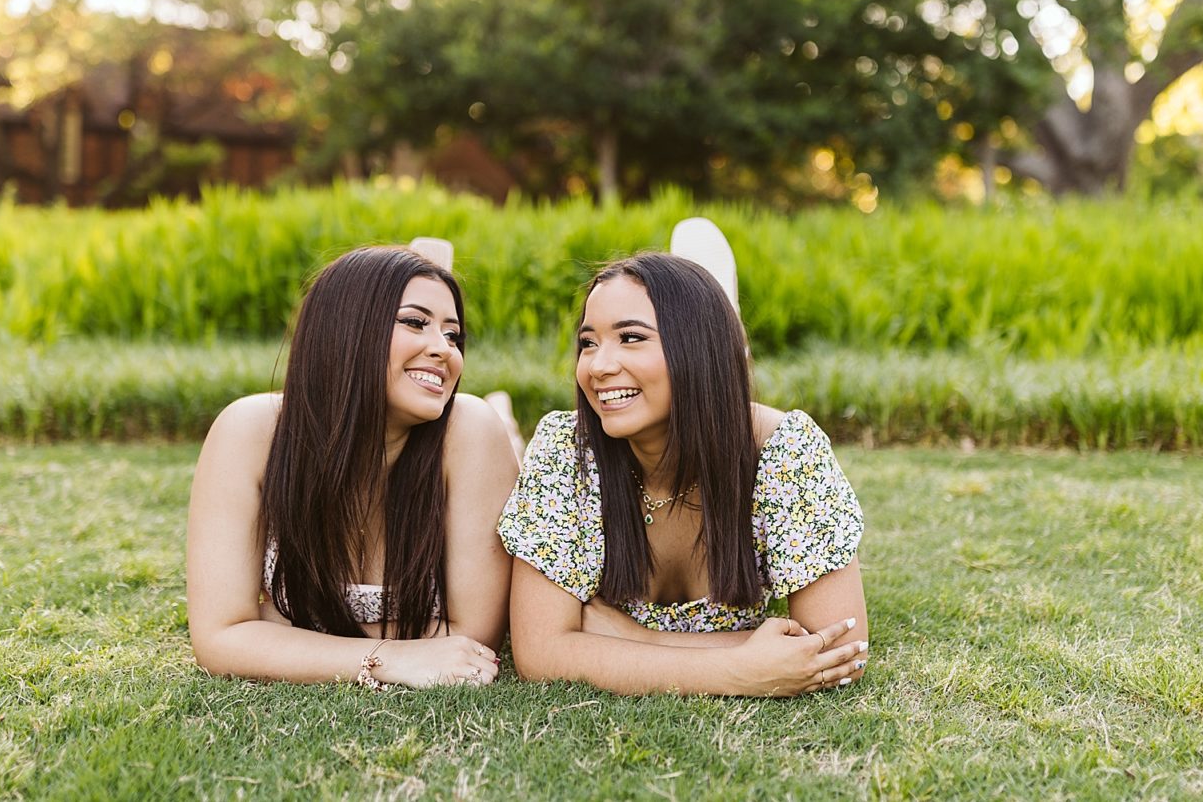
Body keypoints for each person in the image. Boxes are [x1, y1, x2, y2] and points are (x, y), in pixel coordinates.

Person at [501, 250, 869, 696]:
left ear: (698, 347)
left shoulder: (784, 450)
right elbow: (540, 653)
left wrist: (633, 638)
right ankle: (500, 419)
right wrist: (740, 671)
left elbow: (839, 649)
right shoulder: (566, 448)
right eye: (588, 342)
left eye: (631, 338)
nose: (597, 367)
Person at [187, 246, 518, 688]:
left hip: (492, 449)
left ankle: (509, 418)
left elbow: (472, 641)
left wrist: (281, 631)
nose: (445, 351)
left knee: (502, 430)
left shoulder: (472, 432)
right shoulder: (251, 431)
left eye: (453, 335)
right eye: (415, 322)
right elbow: (220, 639)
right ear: (346, 330)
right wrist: (388, 657)